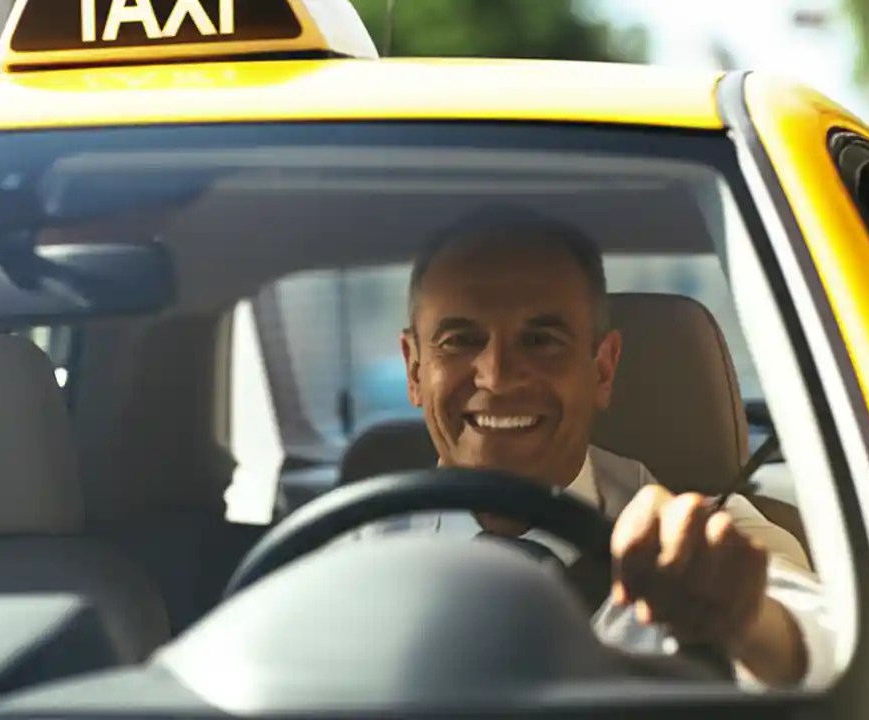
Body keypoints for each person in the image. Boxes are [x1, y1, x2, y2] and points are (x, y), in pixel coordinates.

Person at [351, 207, 833, 689]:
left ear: (602, 369)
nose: (496, 377)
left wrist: (746, 620)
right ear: (415, 371)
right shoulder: (351, 560)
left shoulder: (705, 544)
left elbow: (830, 651)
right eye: (459, 341)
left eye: (541, 340)